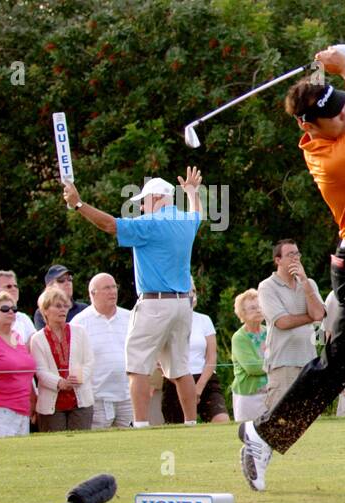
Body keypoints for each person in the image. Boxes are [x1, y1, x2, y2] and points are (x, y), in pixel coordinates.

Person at [240, 46, 345, 492]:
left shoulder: (334, 133)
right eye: (333, 116)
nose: (344, 117)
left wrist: (335, 70)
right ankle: (263, 434)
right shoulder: (344, 158)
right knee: (340, 365)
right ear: (308, 125)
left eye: (339, 107)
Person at [63, 170, 203, 426]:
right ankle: (191, 423)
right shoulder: (185, 222)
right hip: (183, 304)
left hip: (155, 303)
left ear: (158, 197)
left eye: (144, 201)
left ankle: (139, 424)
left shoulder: (149, 224)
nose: (140, 206)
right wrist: (193, 193)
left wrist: (78, 205)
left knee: (136, 366)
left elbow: (109, 225)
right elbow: (197, 215)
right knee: (181, 368)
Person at [257, 239, 326, 411]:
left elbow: (318, 314)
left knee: (307, 416)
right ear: (278, 260)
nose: (295, 258)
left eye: (297, 254)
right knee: (281, 419)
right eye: (290, 254)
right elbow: (282, 322)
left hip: (308, 362)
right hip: (282, 364)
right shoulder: (267, 287)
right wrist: (309, 317)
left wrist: (305, 282)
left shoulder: (308, 284)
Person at [72, 273, 134, 428]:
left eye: (114, 287)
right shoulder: (79, 323)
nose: (113, 291)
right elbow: (75, 361)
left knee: (131, 445)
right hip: (97, 398)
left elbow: (140, 352)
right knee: (100, 445)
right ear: (93, 293)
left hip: (128, 396)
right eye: (107, 288)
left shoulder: (130, 318)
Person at [29, 287, 95, 432]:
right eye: (58, 306)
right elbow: (40, 370)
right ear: (45, 310)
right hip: (51, 405)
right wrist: (59, 383)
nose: (63, 310)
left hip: (81, 400)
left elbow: (89, 361)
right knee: (54, 447)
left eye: (65, 306)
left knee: (81, 445)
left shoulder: (80, 331)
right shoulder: (37, 339)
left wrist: (79, 378)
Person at [160, 287, 230, 424]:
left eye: (194, 290)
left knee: (221, 419)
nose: (192, 294)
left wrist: (198, 388)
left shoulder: (205, 320)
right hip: (175, 380)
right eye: (187, 291)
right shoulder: (165, 322)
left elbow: (211, 357)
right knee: (178, 429)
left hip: (205, 380)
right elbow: (160, 360)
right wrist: (186, 389)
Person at [0, 292, 36, 438]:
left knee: (21, 458)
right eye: (4, 309)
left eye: (13, 309)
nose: (10, 311)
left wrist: (33, 402)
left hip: (22, 410)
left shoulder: (17, 337)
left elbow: (26, 372)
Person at [230, 289, 268, 422]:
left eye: (260, 306)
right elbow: (252, 368)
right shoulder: (239, 338)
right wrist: (276, 364)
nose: (258, 310)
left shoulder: (270, 332)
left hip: (271, 393)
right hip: (248, 396)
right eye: (253, 308)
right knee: (249, 433)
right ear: (242, 313)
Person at [32, 264, 88, 329]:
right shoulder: (42, 312)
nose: (67, 282)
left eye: (69, 279)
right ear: (50, 287)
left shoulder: (84, 309)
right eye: (61, 280)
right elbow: (43, 337)